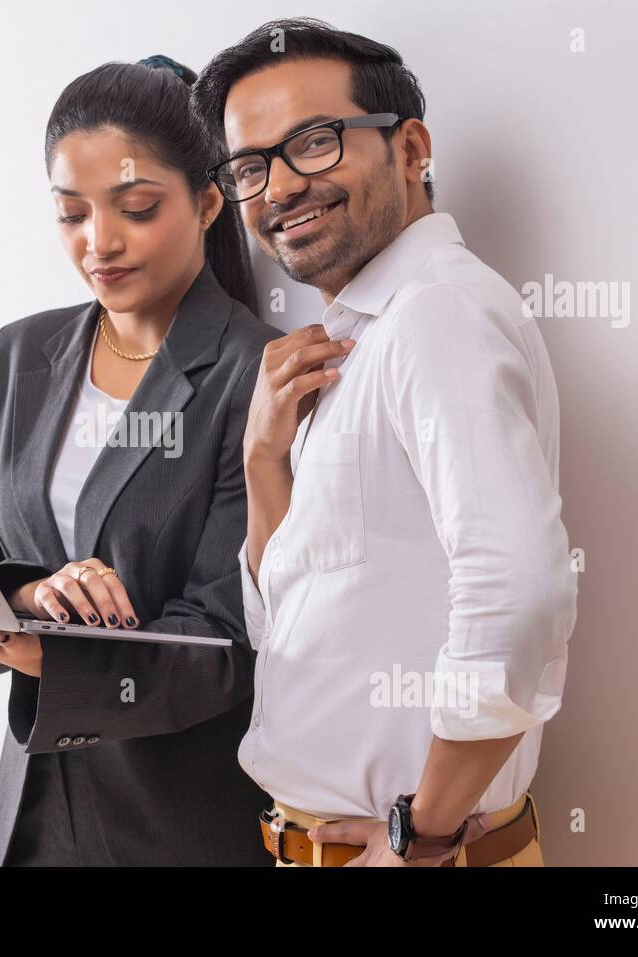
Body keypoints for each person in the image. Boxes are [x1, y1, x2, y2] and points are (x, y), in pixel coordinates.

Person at [191, 18, 578, 866]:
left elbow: (522, 594)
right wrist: (264, 460)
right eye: (251, 166)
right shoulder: (364, 334)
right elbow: (288, 623)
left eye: (315, 143)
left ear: (410, 149)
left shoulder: (438, 313)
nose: (279, 187)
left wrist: (420, 836)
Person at [0, 55, 281, 865]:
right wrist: (21, 595)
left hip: (179, 822)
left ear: (209, 201)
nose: (98, 243)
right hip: (35, 812)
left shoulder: (258, 374)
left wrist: (53, 652)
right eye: (71, 214)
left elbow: (231, 641)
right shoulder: (20, 354)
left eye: (136, 209)